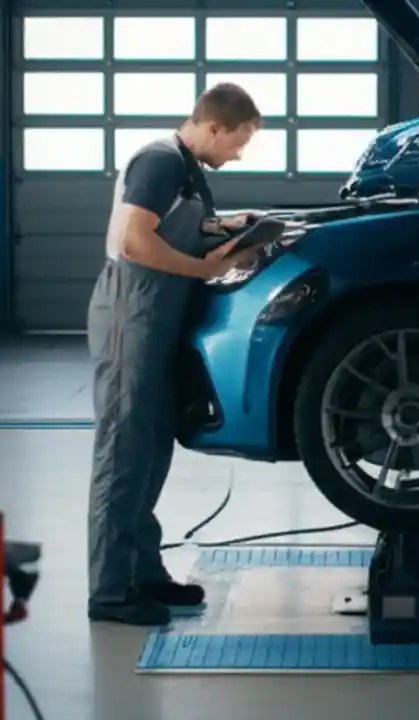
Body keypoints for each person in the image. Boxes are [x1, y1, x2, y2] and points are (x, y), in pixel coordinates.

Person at [87, 83, 264, 626]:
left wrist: (228, 227)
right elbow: (134, 241)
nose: (239, 153)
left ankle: (144, 572)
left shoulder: (188, 169)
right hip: (131, 316)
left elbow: (179, 226)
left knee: (152, 449)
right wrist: (206, 269)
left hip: (159, 322)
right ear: (215, 127)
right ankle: (111, 591)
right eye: (240, 141)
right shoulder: (159, 161)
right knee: (124, 451)